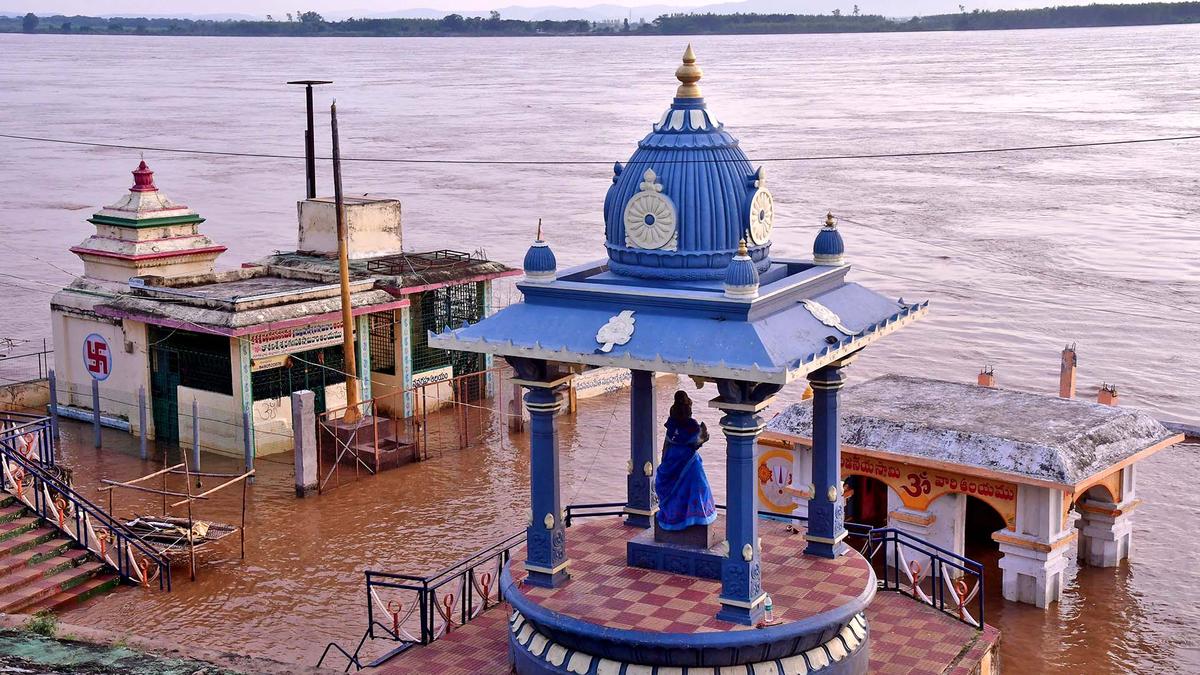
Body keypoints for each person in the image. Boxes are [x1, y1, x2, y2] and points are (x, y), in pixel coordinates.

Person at [655, 391, 717, 531]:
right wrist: (704, 436)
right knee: (700, 488)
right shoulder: (691, 425)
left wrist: (663, 461)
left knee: (673, 488)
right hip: (689, 461)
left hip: (673, 459)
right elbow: (695, 443)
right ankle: (696, 516)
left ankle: (677, 517)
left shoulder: (672, 424)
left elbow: (667, 444)